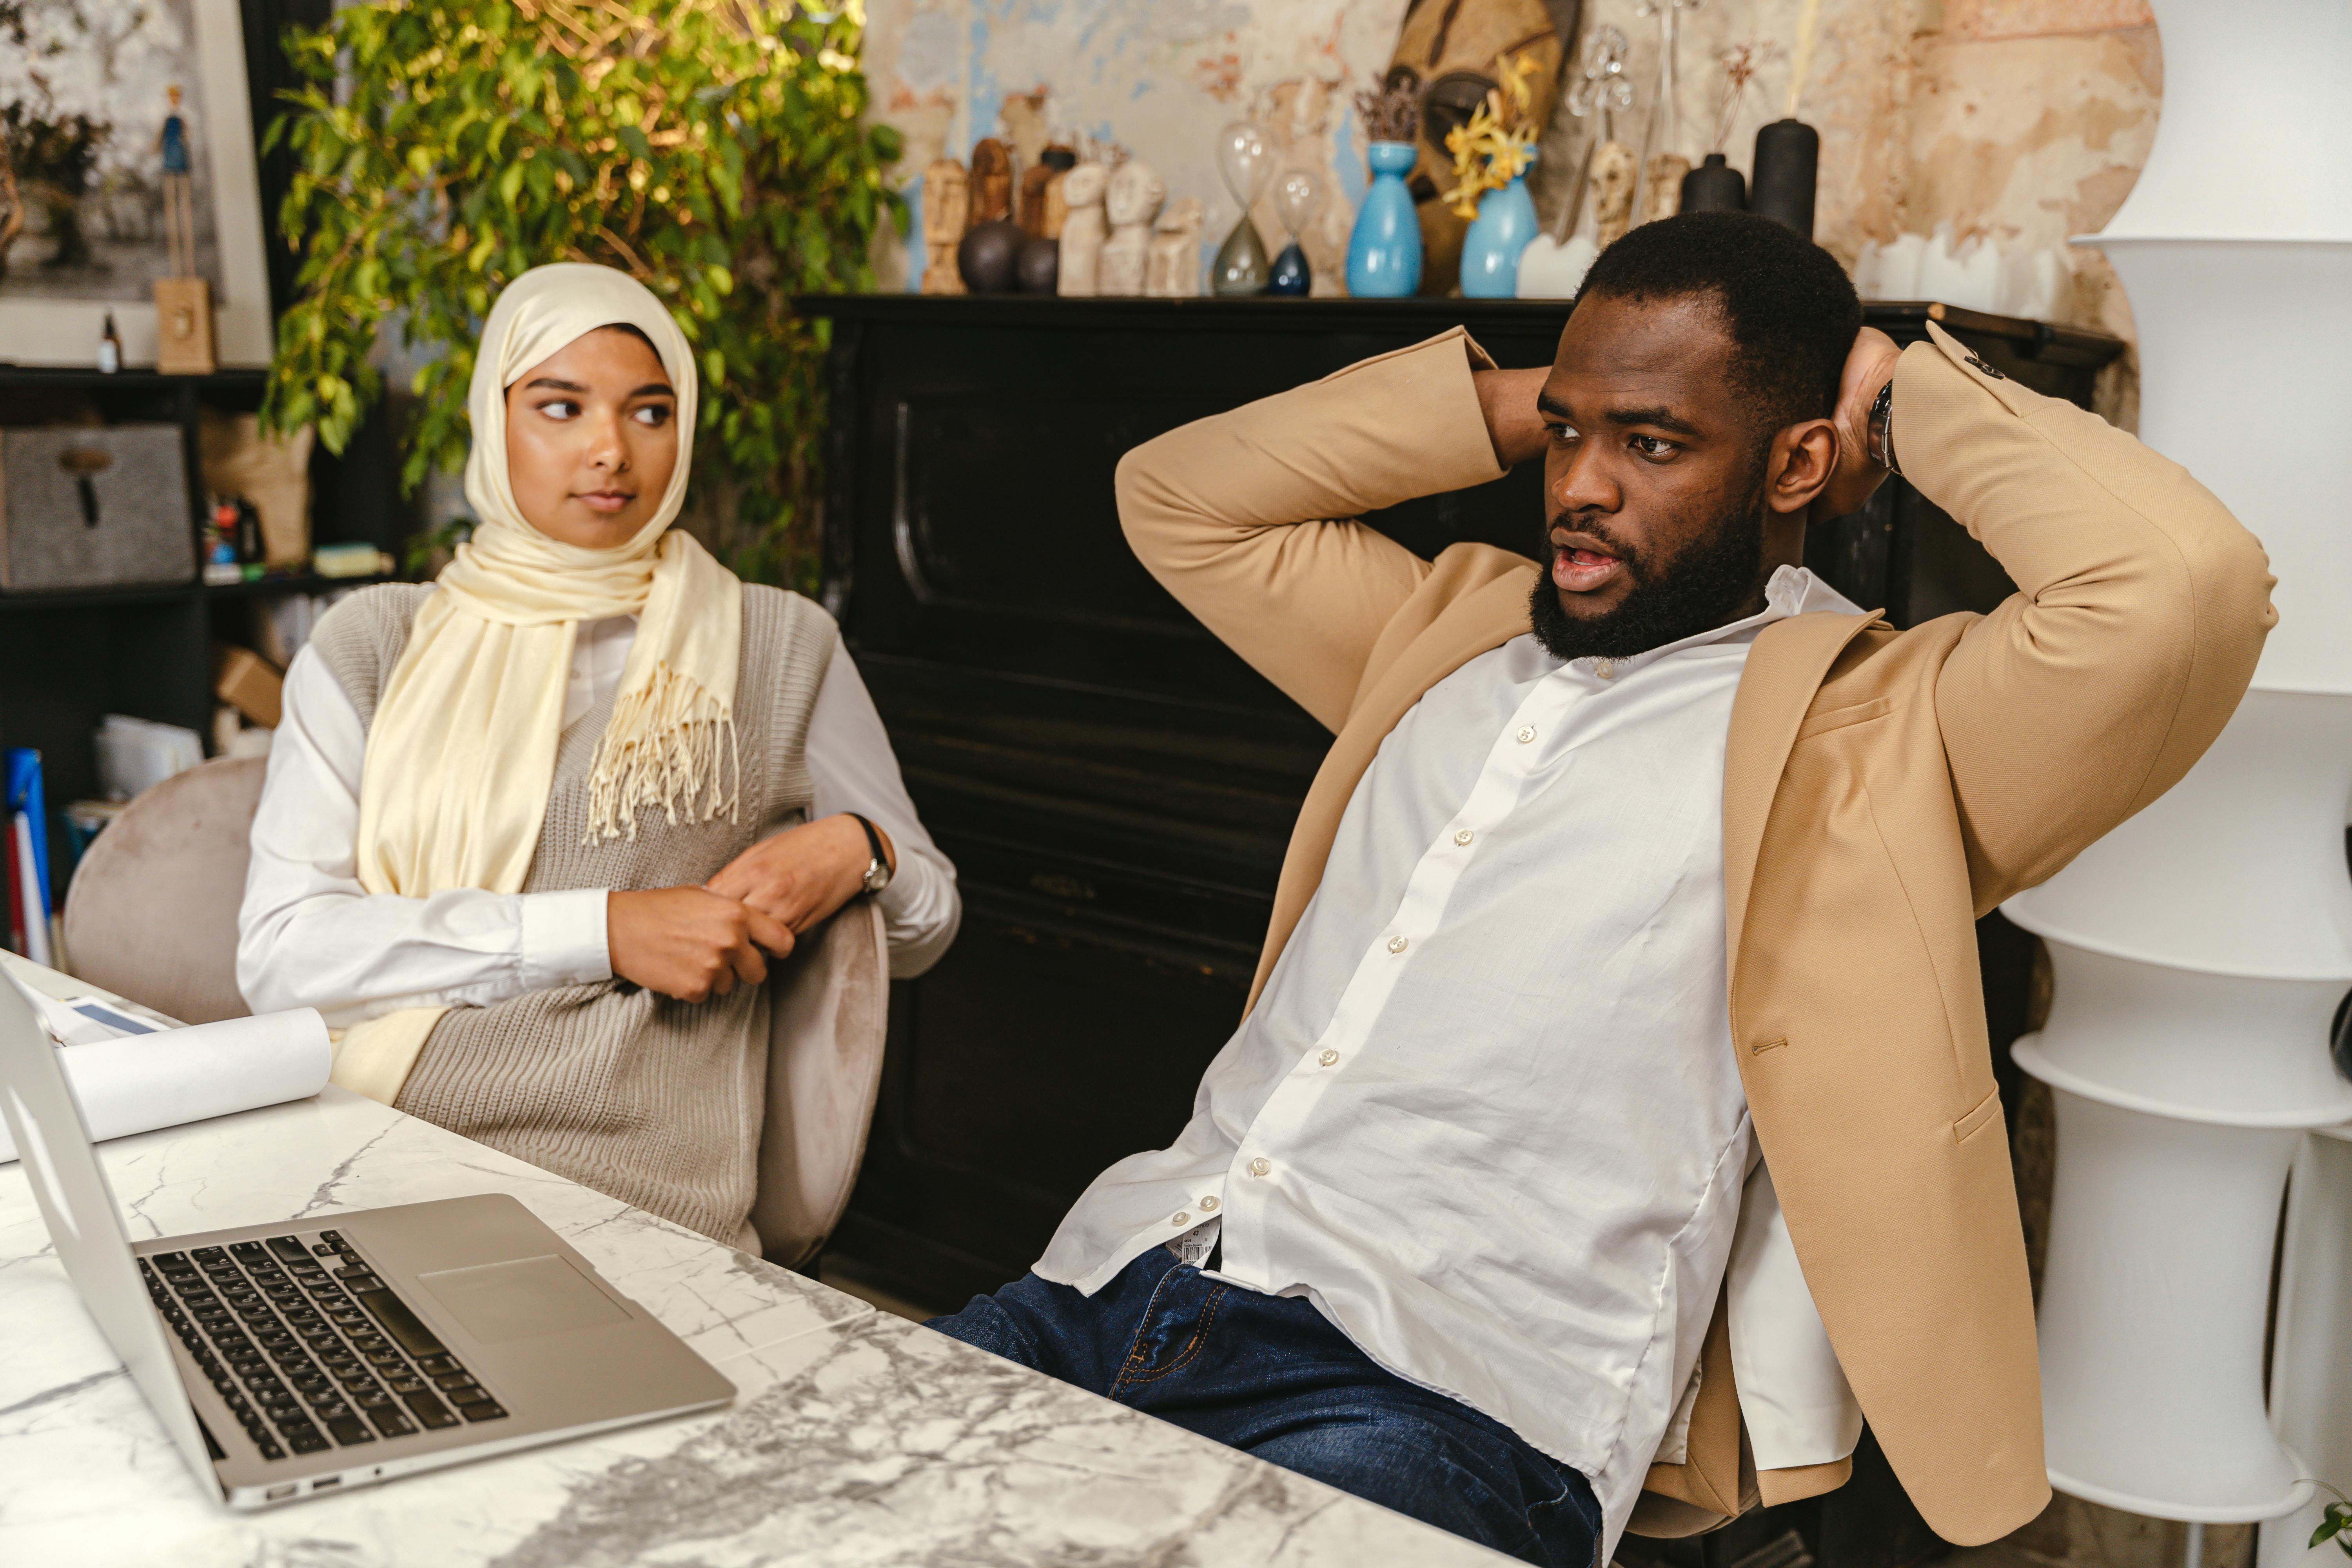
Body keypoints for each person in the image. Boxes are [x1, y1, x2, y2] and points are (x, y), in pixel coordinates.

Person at [927, 212, 2274, 1566]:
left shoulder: (1879, 734)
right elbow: (1176, 492)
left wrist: (1896, 392)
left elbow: (2186, 593)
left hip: (1433, 1406)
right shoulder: (1442, 634)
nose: (1579, 485)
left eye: (1654, 443)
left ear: (1797, 461)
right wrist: (1532, 403)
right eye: (1571, 436)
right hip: (1106, 1287)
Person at [238, 263, 958, 1250]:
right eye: (560, 406)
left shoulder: (776, 642)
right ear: (495, 422)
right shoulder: (375, 641)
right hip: (372, 1157)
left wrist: (859, 846)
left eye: (650, 413)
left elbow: (927, 922)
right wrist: (605, 930)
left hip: (644, 1208)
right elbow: (282, 958)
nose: (610, 450)